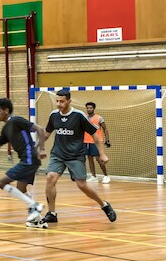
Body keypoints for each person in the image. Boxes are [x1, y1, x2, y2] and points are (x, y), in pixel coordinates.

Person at [38, 90, 117, 225]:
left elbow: (95, 135)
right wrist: (38, 148)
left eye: (62, 101)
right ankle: (52, 213)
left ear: (69, 101)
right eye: (57, 101)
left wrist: (102, 154)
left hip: (75, 155)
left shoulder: (79, 115)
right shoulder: (54, 115)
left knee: (81, 184)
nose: (59, 104)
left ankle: (103, 204)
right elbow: (46, 134)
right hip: (58, 154)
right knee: (50, 177)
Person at [0, 98, 47, 227]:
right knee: (21, 189)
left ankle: (33, 205)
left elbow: (40, 129)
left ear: (6, 110)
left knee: (2, 182)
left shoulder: (17, 121)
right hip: (28, 160)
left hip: (29, 158)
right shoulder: (6, 129)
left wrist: (42, 149)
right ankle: (38, 220)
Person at [84, 102, 112, 183]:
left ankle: (106, 176)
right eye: (88, 108)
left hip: (96, 142)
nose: (89, 109)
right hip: (86, 141)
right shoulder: (84, 118)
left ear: (94, 108)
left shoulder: (99, 118)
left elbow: (105, 129)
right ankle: (93, 176)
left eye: (91, 108)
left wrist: (107, 140)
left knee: (99, 159)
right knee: (89, 159)